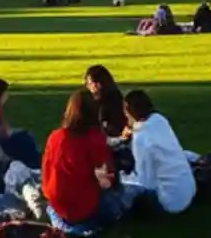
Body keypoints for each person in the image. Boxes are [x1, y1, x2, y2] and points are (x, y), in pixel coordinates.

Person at [42, 90, 121, 234]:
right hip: (83, 206)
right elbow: (106, 181)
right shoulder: (94, 140)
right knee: (120, 199)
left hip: (56, 202)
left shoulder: (54, 137)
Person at [119, 90, 196, 215]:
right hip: (188, 188)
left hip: (169, 201)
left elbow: (144, 182)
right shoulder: (160, 121)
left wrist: (123, 178)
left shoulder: (141, 139)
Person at [84, 65, 127, 139]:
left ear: (99, 84)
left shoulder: (110, 102)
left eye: (90, 83)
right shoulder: (115, 97)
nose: (87, 86)